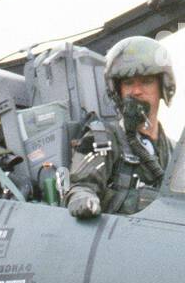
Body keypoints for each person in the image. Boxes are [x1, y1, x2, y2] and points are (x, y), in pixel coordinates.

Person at [65, 35, 176, 218]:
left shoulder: (174, 151)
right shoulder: (102, 139)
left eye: (146, 81)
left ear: (162, 87)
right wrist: (83, 199)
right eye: (128, 83)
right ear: (118, 91)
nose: (136, 91)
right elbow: (81, 186)